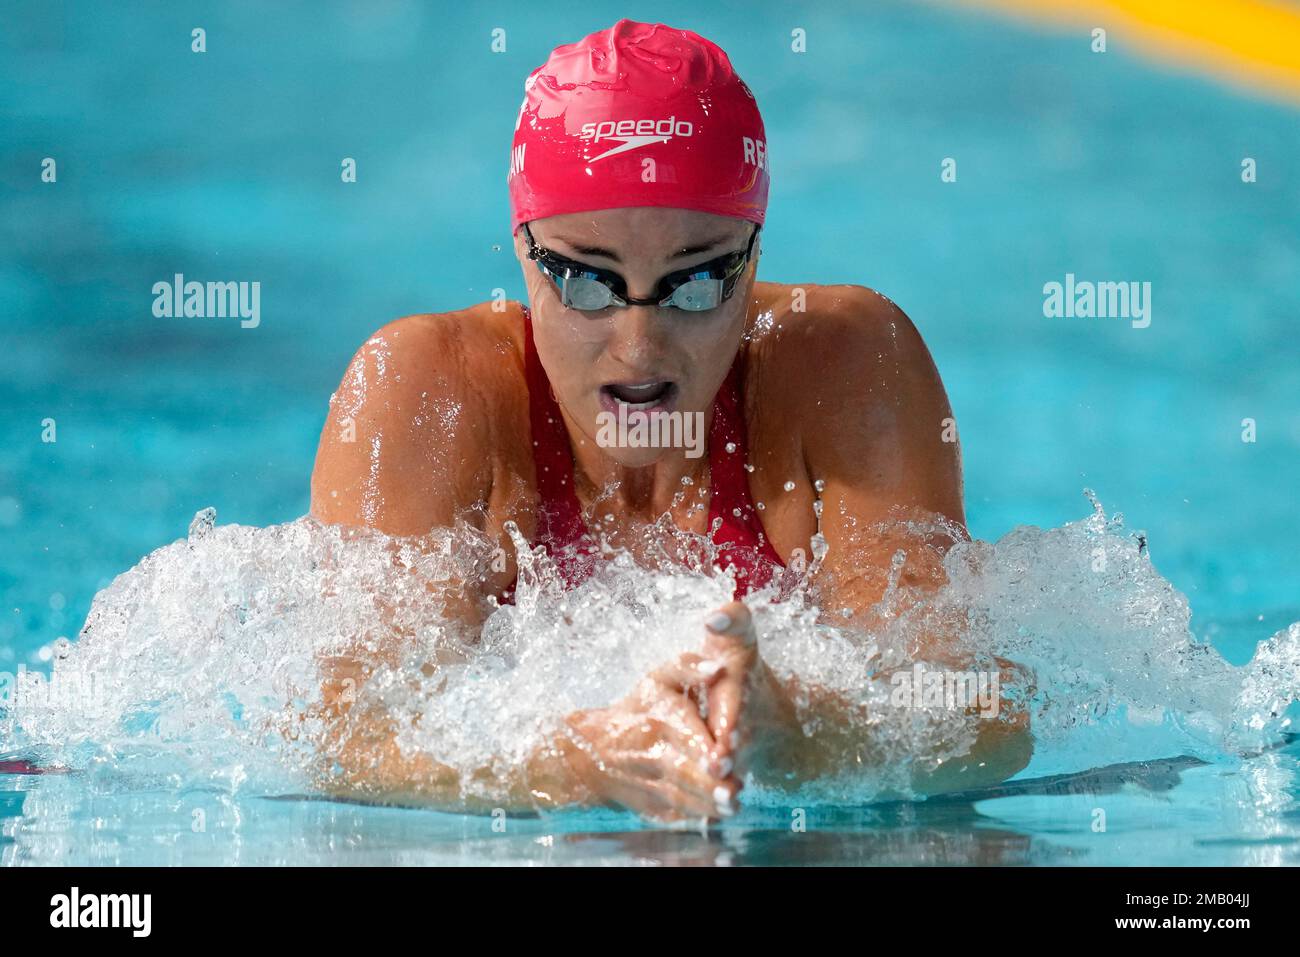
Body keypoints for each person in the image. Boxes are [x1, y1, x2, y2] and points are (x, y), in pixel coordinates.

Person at [309, 18, 1032, 822]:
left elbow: (980, 717)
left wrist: (802, 736)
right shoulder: (429, 392)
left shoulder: (847, 369)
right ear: (522, 248)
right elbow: (345, 738)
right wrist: (580, 761)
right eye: (587, 283)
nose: (640, 345)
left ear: (754, 258)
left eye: (695, 285)